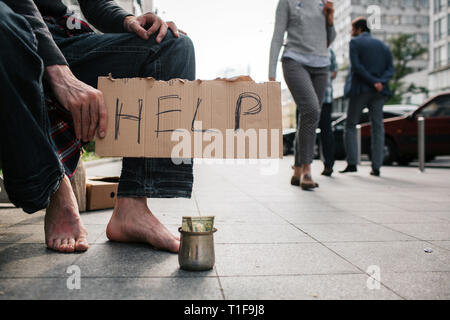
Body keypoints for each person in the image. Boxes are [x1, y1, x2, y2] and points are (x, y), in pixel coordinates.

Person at [0, 0, 195, 253]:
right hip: (12, 32)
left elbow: (95, 3)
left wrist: (127, 20)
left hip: (58, 38)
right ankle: (56, 187)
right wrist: (58, 72)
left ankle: (132, 208)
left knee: (172, 44)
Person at [269, 0, 336, 190]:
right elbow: (277, 36)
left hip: (322, 64)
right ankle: (307, 169)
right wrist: (271, 73)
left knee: (309, 116)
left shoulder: (323, 3)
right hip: (294, 61)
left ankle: (297, 168)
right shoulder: (287, 3)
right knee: (312, 110)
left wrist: (330, 18)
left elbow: (328, 40)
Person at [340, 17, 395, 177]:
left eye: (352, 29)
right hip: (379, 92)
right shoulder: (383, 46)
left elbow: (357, 67)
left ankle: (352, 163)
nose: (351, 33)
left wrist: (372, 81)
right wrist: (379, 82)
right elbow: (390, 69)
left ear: (358, 29)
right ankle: (376, 167)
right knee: (378, 127)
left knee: (350, 125)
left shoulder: (355, 43)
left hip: (360, 90)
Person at [319, 47, 338, 177]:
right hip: (326, 96)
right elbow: (334, 72)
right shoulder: (329, 51)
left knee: (303, 129)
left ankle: (300, 164)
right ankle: (329, 164)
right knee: (326, 131)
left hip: (308, 97)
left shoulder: (307, 45)